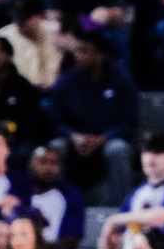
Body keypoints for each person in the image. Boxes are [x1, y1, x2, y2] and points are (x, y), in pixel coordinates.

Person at [50, 31, 138, 203]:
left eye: (84, 51)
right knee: (55, 147)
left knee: (118, 149)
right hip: (75, 140)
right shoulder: (65, 82)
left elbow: (130, 123)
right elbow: (55, 122)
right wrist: (72, 136)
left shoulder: (121, 82)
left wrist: (103, 138)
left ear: (99, 55)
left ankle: (122, 210)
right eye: (76, 51)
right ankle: (58, 205)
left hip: (108, 139)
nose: (78, 56)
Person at [25, 143, 88, 249]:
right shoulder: (17, 193)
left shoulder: (71, 197)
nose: (48, 168)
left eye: (53, 163)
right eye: (42, 162)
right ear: (31, 165)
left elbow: (70, 243)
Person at [0, 0, 62, 89]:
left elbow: (89, 25)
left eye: (23, 20)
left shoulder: (57, 32)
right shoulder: (3, 36)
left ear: (40, 15)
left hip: (55, 93)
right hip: (20, 95)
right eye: (16, 19)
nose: (18, 24)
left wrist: (63, 16)